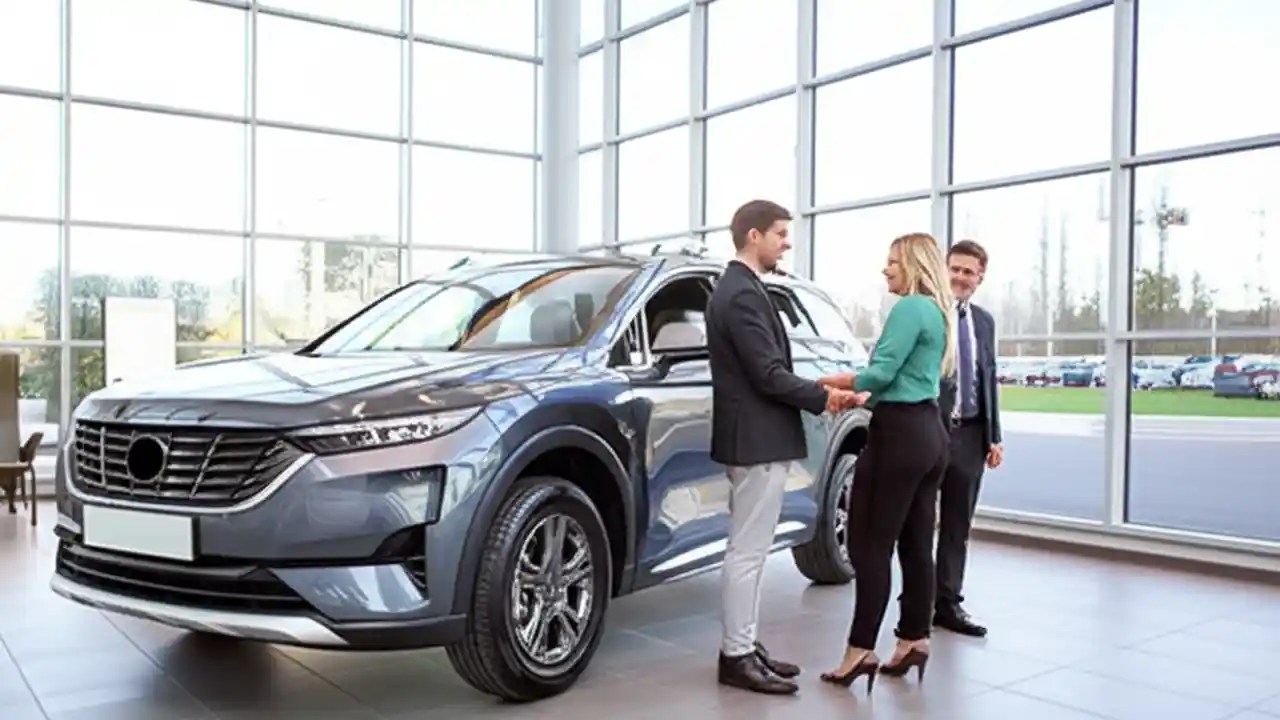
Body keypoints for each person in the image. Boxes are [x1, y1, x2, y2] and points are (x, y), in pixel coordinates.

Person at [706, 199, 863, 695]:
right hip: (755, 440)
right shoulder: (741, 294)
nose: (786, 242)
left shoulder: (742, 289)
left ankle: (745, 645)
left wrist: (818, 390)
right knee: (748, 553)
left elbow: (767, 372)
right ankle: (735, 655)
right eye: (779, 233)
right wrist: (826, 397)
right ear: (753, 235)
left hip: (756, 436)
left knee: (749, 550)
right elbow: (767, 375)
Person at [816, 232, 956, 694]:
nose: (886, 269)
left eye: (893, 261)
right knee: (916, 542)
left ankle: (859, 651)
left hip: (897, 435)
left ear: (913, 265)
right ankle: (913, 637)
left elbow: (880, 373)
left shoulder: (910, 307)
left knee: (868, 545)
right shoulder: (938, 312)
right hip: (930, 432)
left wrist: (828, 382)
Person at [934, 239, 1002, 638]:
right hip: (931, 431)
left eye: (968, 271)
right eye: (954, 269)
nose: (959, 277)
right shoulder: (928, 314)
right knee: (919, 521)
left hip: (972, 434)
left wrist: (994, 436)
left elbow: (989, 379)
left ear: (980, 278)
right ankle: (915, 602)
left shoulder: (984, 322)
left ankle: (947, 603)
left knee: (957, 524)